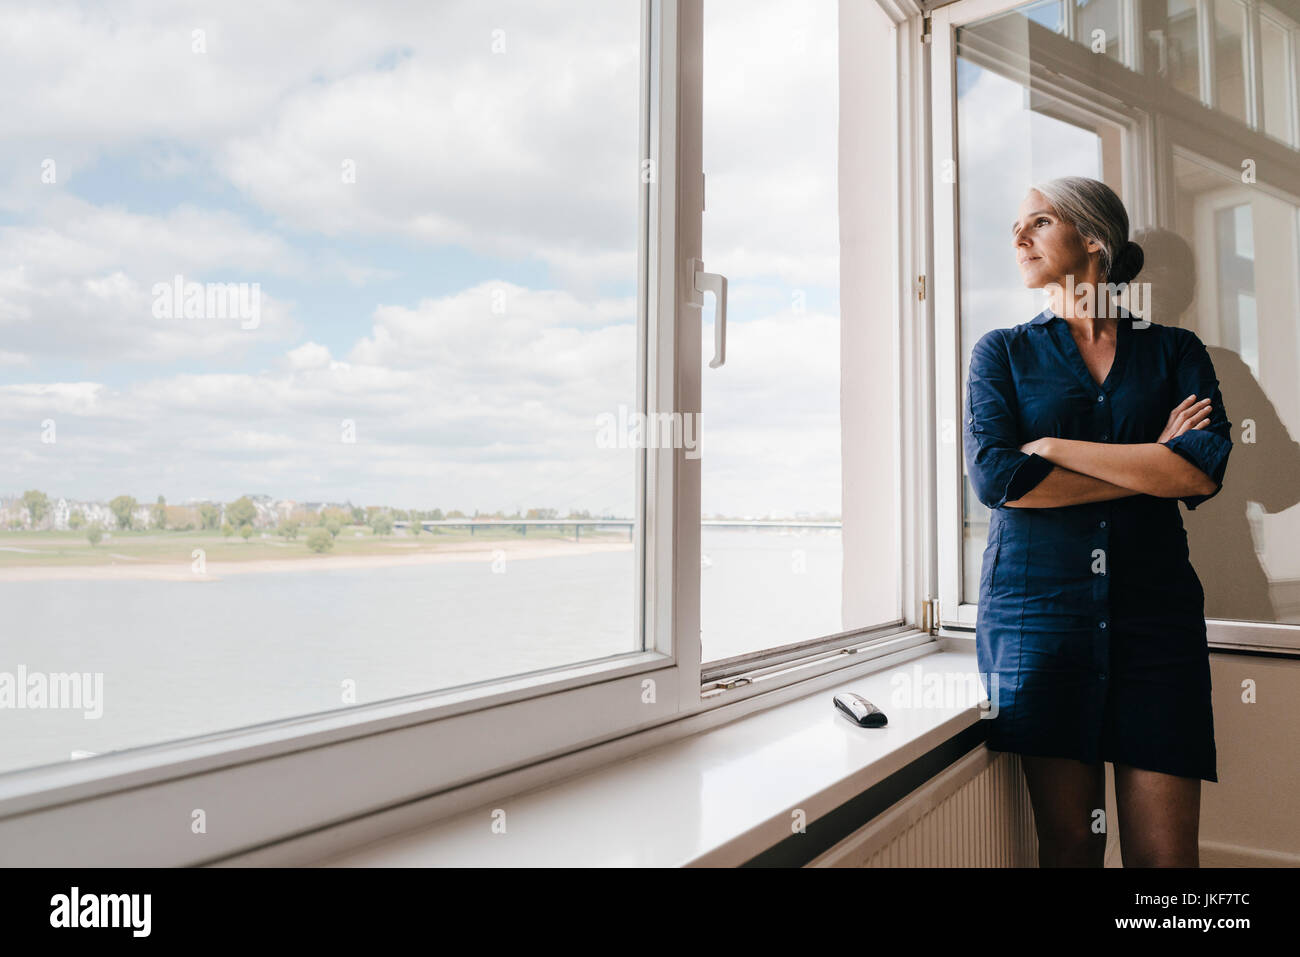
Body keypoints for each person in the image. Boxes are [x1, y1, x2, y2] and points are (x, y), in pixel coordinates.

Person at [963, 176, 1233, 867]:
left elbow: (1200, 470)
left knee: (1168, 866)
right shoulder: (1001, 353)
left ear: (1092, 238)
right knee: (1072, 850)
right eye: (1016, 226)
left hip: (1156, 625)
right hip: (1039, 624)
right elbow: (1000, 481)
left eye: (1038, 222)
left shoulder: (1175, 351)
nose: (1018, 238)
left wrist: (1052, 448)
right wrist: (1149, 462)